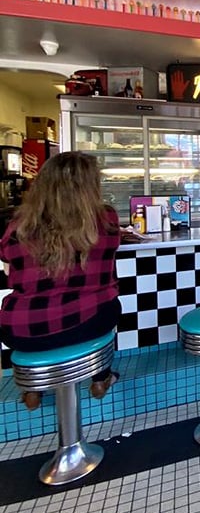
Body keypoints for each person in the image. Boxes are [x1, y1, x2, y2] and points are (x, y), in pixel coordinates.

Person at [0, 152, 122, 410]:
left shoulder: (20, 225)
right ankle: (100, 377)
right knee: (107, 303)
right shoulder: (105, 219)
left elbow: (5, 256)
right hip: (86, 322)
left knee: (38, 323)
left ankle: (31, 389)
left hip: (20, 329)